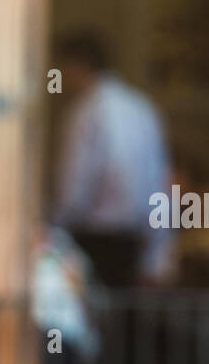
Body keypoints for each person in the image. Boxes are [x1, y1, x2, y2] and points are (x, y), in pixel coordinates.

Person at [52, 31, 173, 288]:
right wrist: (157, 249)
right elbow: (158, 180)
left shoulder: (87, 111)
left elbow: (76, 180)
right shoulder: (141, 108)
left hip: (94, 236)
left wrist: (58, 226)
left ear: (77, 65)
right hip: (134, 237)